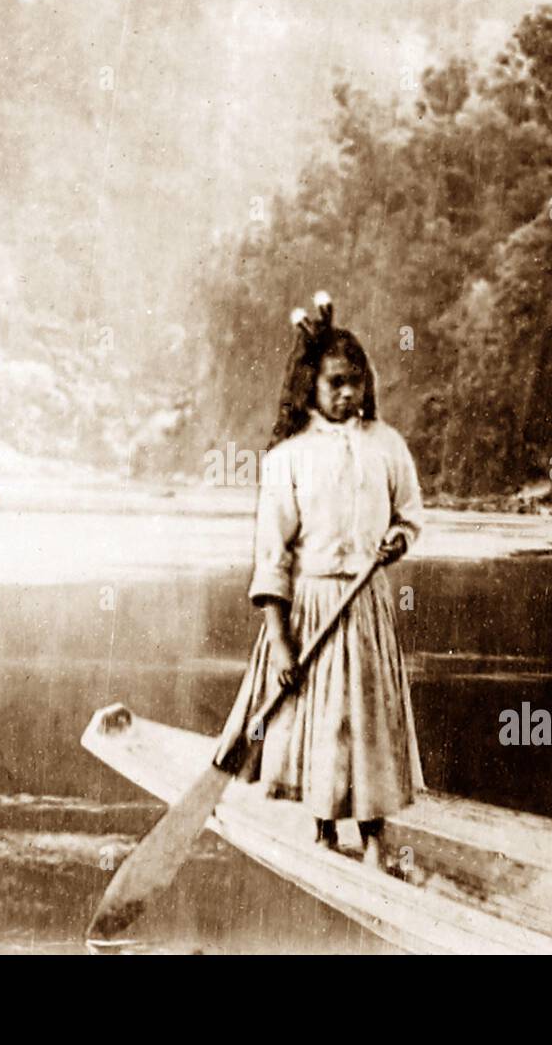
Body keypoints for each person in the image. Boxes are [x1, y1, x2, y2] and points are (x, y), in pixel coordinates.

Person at [217, 291, 425, 871]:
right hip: (312, 606)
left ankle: (376, 838)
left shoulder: (387, 445)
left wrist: (398, 541)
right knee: (323, 725)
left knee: (368, 724)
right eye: (335, 382)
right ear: (311, 384)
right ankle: (324, 831)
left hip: (366, 606)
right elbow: (272, 555)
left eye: (355, 381)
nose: (348, 394)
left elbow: (410, 513)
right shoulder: (288, 457)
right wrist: (281, 639)